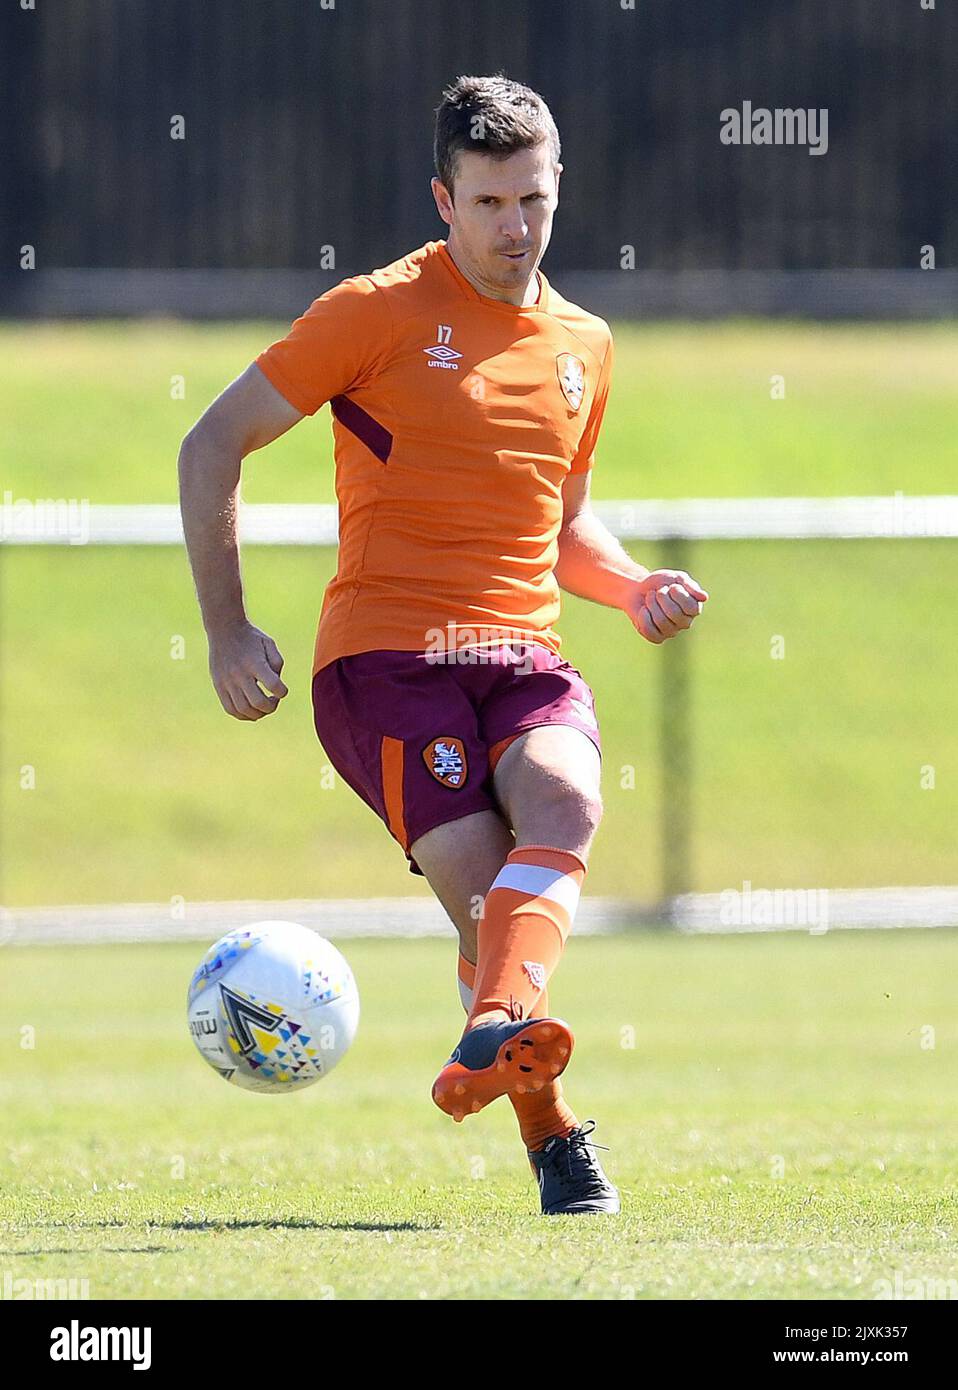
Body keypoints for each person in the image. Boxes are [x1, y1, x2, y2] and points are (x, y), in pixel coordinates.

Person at [178, 73, 708, 1215]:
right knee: (488, 909)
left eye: (534, 199)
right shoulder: (370, 314)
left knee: (563, 804)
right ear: (442, 200)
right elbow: (211, 444)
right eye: (488, 203)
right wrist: (227, 629)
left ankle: (492, 1038)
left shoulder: (585, 344)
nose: (515, 227)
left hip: (523, 651)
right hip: (384, 663)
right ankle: (553, 1134)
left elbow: (560, 527)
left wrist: (630, 589)